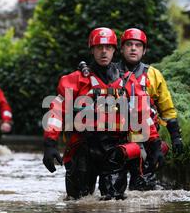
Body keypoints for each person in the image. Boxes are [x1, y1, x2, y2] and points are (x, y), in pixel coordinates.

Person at [42, 27, 162, 201]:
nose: (104, 51)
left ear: (114, 50)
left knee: (114, 204)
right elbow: (56, 111)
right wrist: (49, 143)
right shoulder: (75, 80)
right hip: (83, 148)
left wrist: (155, 144)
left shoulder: (127, 80)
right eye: (99, 47)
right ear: (92, 50)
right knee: (77, 203)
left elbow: (142, 113)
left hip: (115, 151)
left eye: (108, 47)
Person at [118, 28, 184, 191]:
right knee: (114, 190)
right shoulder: (111, 72)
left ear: (144, 50)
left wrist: (175, 136)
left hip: (146, 141)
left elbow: (166, 109)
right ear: (121, 49)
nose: (133, 48)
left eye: (138, 45)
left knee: (143, 189)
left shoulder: (153, 75)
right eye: (129, 45)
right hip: (116, 139)